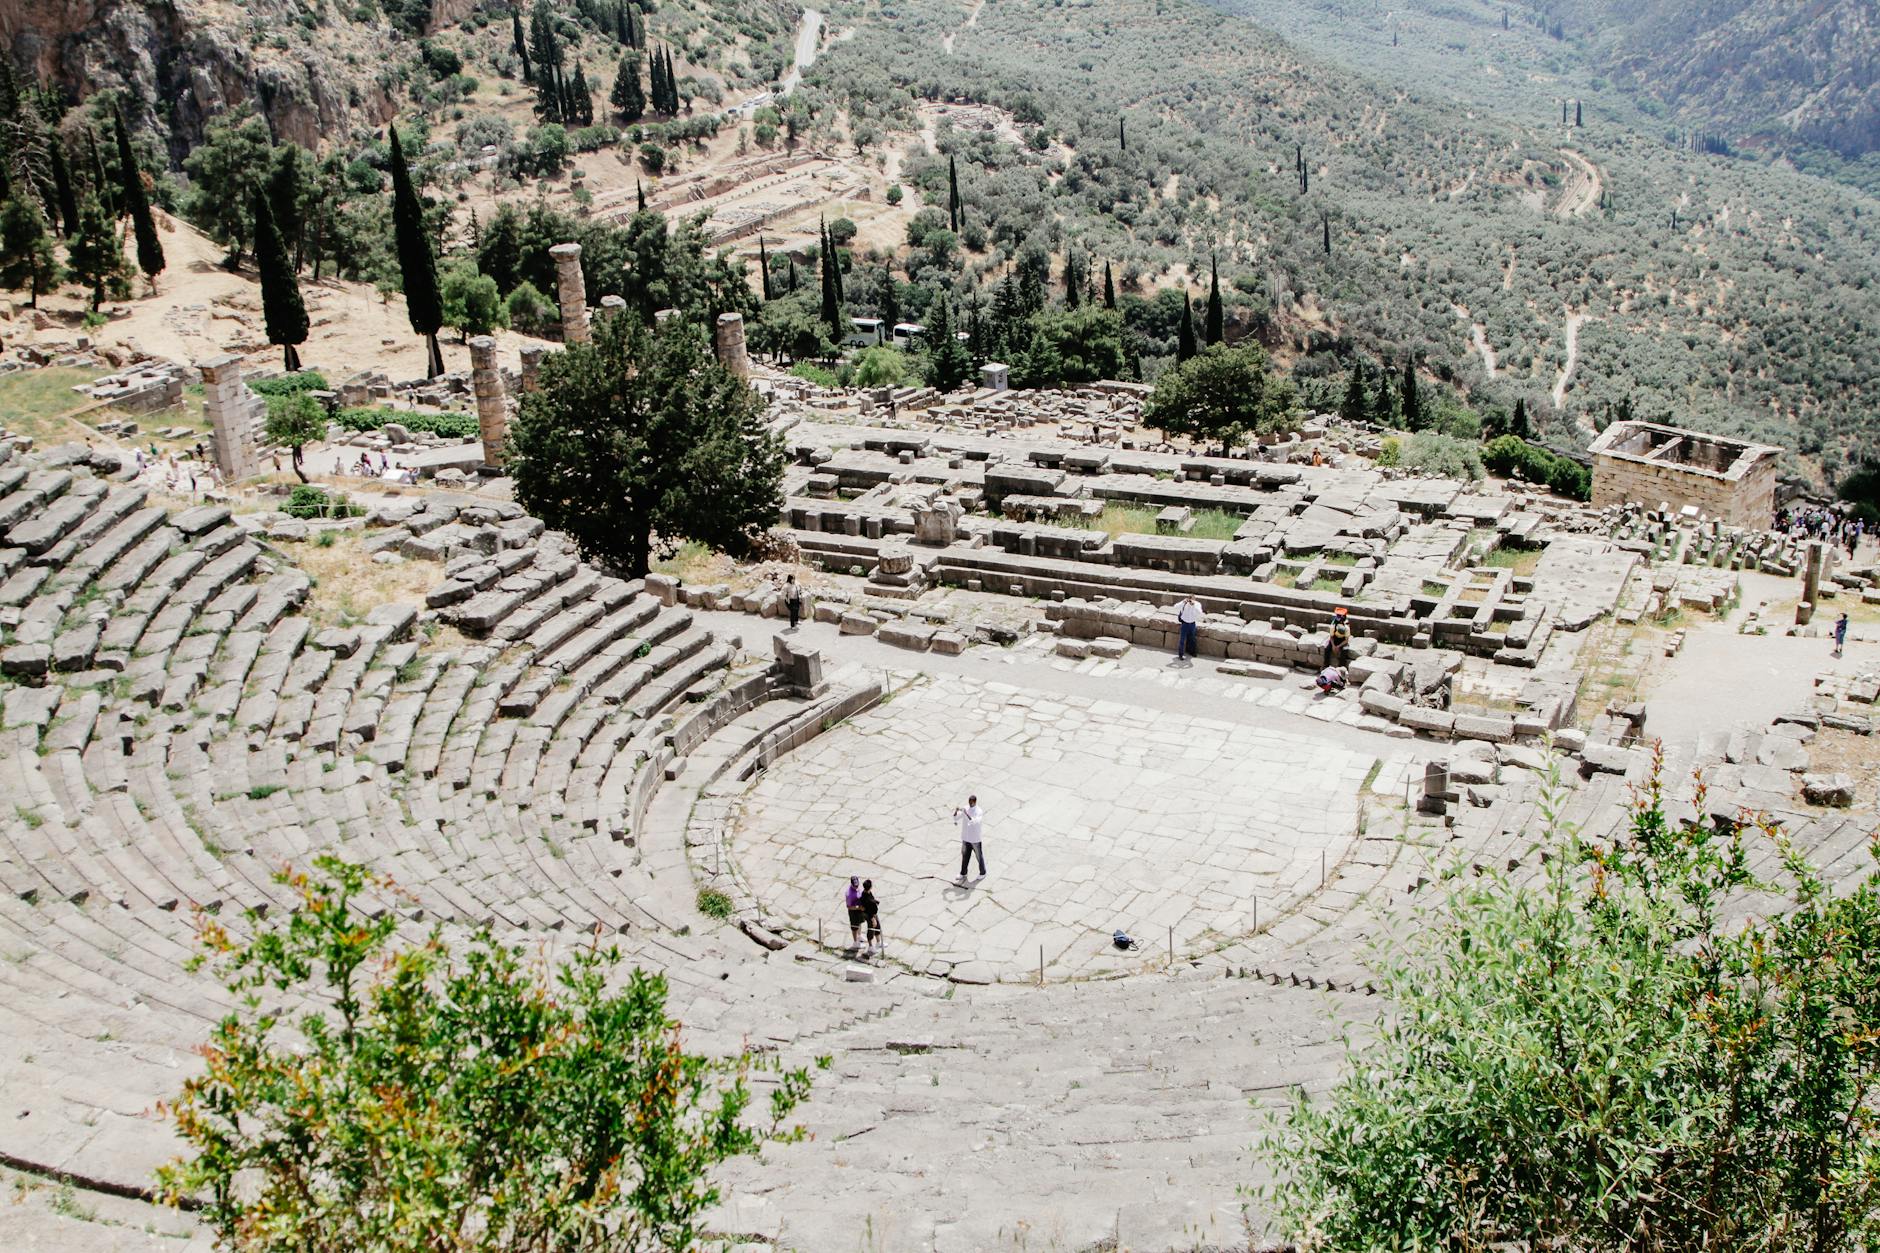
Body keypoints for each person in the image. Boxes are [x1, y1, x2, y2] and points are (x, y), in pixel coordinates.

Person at [953, 794, 987, 884]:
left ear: (975, 802)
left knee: (979, 856)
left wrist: (966, 813)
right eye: (969, 802)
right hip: (966, 838)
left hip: (975, 839)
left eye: (971, 802)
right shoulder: (966, 808)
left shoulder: (979, 811)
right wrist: (956, 812)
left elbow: (974, 822)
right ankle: (963, 873)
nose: (970, 803)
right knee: (964, 856)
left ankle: (983, 872)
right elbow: (956, 817)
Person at [1174, 595, 1201, 663]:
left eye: (1192, 599)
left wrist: (1193, 605)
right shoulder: (1184, 603)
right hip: (1184, 624)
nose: (1190, 601)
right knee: (1182, 640)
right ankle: (1181, 654)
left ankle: (1192, 652)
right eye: (1190, 599)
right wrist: (1183, 602)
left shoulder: (1197, 604)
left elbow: (1199, 612)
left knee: (1192, 639)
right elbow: (1175, 606)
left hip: (1192, 624)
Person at [861, 879, 882, 955]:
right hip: (870, 916)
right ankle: (870, 947)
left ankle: (878, 942)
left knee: (877, 927)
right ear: (870, 887)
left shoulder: (864, 893)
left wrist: (875, 901)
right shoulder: (869, 900)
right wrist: (873, 919)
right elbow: (870, 910)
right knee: (871, 930)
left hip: (871, 914)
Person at [844, 876, 864, 948]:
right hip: (853, 912)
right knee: (854, 927)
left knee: (860, 923)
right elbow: (849, 906)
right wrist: (858, 907)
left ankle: (859, 936)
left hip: (859, 910)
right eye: (855, 886)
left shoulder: (858, 888)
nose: (856, 887)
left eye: (857, 885)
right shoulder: (849, 894)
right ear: (851, 884)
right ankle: (855, 942)